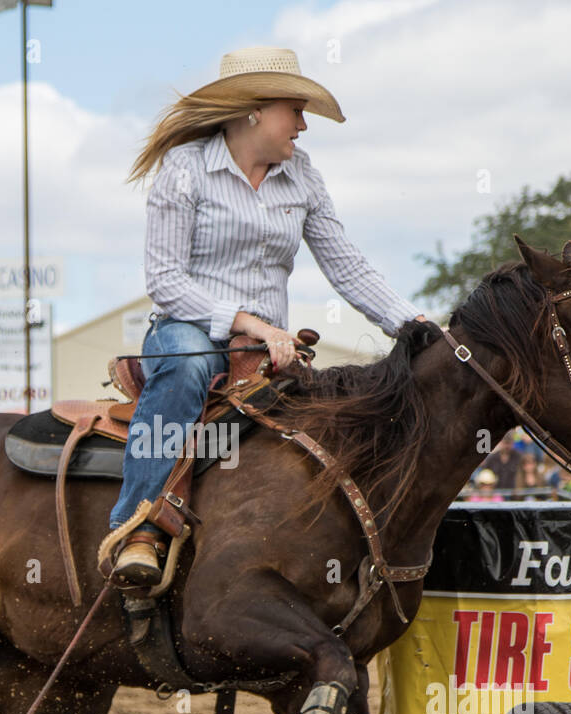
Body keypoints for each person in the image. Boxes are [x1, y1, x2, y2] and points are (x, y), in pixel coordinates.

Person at [108, 47, 428, 586]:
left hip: (269, 350)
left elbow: (346, 265)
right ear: (254, 110)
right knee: (186, 365)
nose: (303, 126)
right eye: (295, 110)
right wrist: (248, 323)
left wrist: (415, 327)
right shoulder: (185, 169)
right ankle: (137, 528)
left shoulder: (301, 175)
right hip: (191, 333)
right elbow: (164, 281)